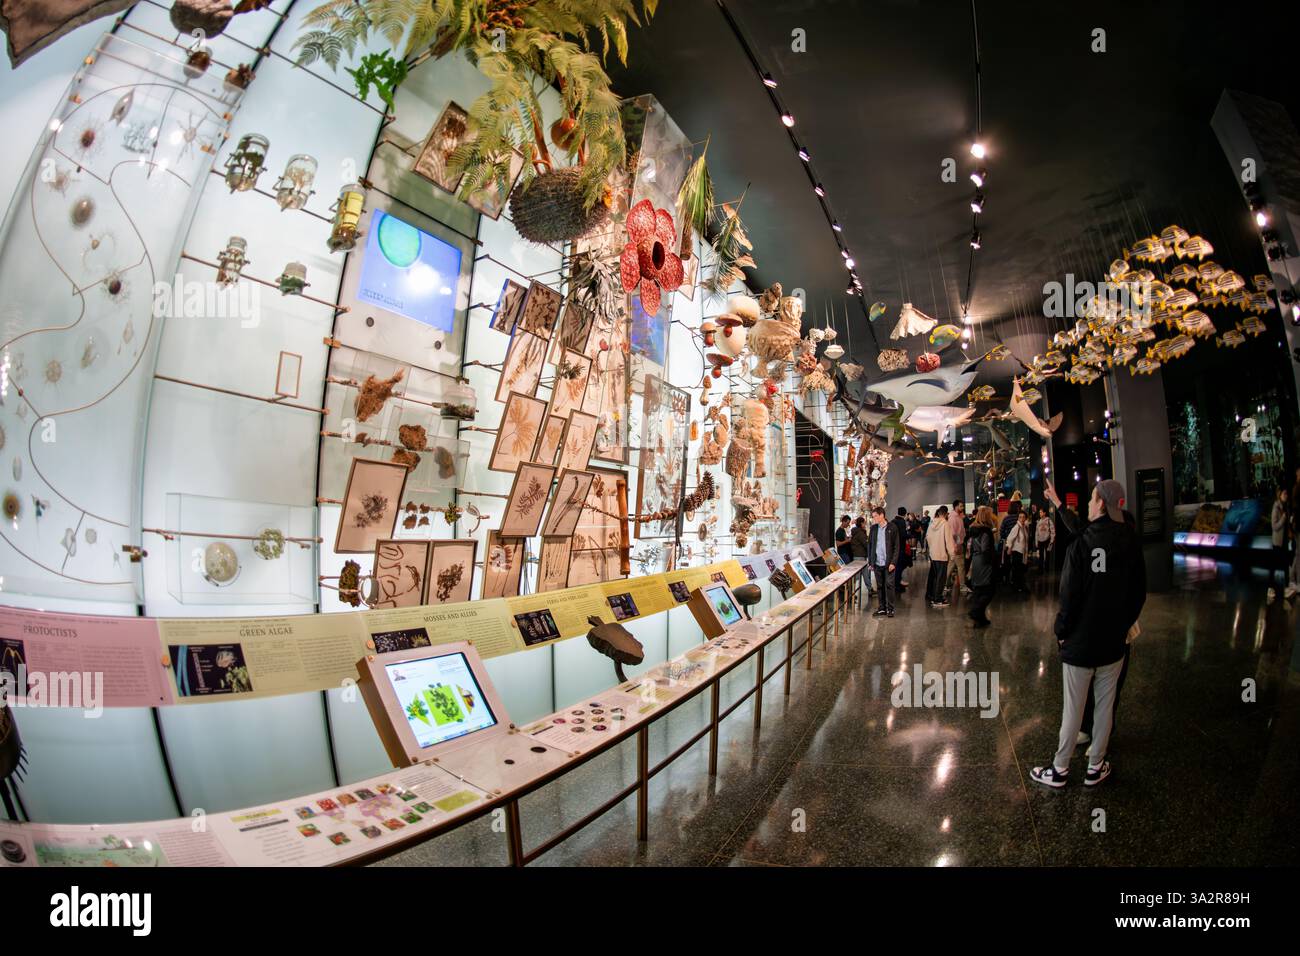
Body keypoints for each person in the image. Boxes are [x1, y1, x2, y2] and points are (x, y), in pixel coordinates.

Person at [1031, 480, 1146, 789]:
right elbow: (1139, 594)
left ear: (1102, 505)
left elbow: (1069, 597)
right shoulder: (1130, 540)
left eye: (1093, 499)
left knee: (1073, 709)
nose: (1090, 504)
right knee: (1105, 707)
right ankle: (1096, 766)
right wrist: (1122, 626)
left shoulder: (1081, 545)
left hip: (1081, 645)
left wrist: (1061, 632)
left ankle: (1060, 769)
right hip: (1114, 644)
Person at [966, 506, 999, 627]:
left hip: (976, 561)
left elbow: (969, 547)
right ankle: (975, 612)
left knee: (979, 591)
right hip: (985, 562)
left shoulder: (973, 529)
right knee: (989, 590)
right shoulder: (986, 531)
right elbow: (986, 549)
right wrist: (992, 561)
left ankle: (980, 618)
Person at [868, 507, 899, 617]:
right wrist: (871, 562)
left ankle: (890, 609)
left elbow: (896, 547)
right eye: (873, 516)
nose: (874, 518)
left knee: (889, 585)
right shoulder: (873, 528)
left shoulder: (892, 527)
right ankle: (882, 608)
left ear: (882, 515)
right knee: (880, 586)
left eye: (875, 516)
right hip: (877, 563)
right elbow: (870, 546)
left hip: (888, 563)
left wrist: (893, 563)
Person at [925, 506, 951, 607]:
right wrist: (952, 553)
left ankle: (933, 596)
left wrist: (931, 549)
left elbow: (928, 537)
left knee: (935, 577)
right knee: (941, 577)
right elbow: (949, 541)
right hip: (942, 553)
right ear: (945, 514)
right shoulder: (945, 524)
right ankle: (937, 599)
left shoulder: (931, 524)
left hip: (933, 554)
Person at [1004, 511, 1030, 592]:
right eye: (1020, 517)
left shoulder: (1024, 527)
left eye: (1023, 517)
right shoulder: (1016, 527)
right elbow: (1010, 538)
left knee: (1020, 570)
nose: (1022, 519)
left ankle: (1019, 585)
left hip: (1022, 552)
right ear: (1018, 518)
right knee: (1017, 570)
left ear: (1026, 518)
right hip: (1017, 552)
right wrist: (1009, 548)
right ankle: (1017, 586)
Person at [947, 499, 968, 596]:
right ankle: (963, 586)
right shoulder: (953, 518)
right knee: (961, 566)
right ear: (956, 507)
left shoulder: (958, 516)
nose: (962, 508)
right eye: (960, 506)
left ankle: (945, 583)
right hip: (957, 546)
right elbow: (953, 534)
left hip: (958, 545)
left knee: (951, 566)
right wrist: (957, 545)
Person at [1270, 486, 1288, 594]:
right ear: (1279, 495)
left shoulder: (1285, 506)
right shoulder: (1276, 508)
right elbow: (1274, 526)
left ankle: (1286, 586)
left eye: (1287, 494)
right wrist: (1283, 518)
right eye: (1284, 494)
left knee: (1285, 564)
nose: (1286, 496)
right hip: (1277, 542)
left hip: (1284, 541)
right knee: (1275, 564)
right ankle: (1270, 587)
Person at [998, 500, 1022, 582]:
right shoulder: (1019, 517)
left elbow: (1001, 531)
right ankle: (1015, 579)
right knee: (1017, 562)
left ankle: (1007, 578)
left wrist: (1005, 537)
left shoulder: (1006, 518)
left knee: (1007, 561)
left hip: (1008, 543)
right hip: (1019, 543)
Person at [892, 507, 911, 593]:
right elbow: (903, 535)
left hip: (893, 547)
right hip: (901, 547)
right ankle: (897, 585)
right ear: (905, 513)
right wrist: (909, 535)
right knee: (900, 566)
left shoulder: (893, 521)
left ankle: (896, 583)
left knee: (896, 566)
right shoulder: (902, 521)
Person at [1036, 505, 1055, 572]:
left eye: (1041, 512)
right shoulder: (1038, 521)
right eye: (1039, 512)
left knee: (1047, 555)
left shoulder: (1049, 520)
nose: (1040, 513)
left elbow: (1053, 531)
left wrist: (1052, 540)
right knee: (1040, 555)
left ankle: (1047, 569)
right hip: (1040, 540)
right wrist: (1036, 541)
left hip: (1047, 540)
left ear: (1044, 513)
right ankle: (1040, 569)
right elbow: (1037, 532)